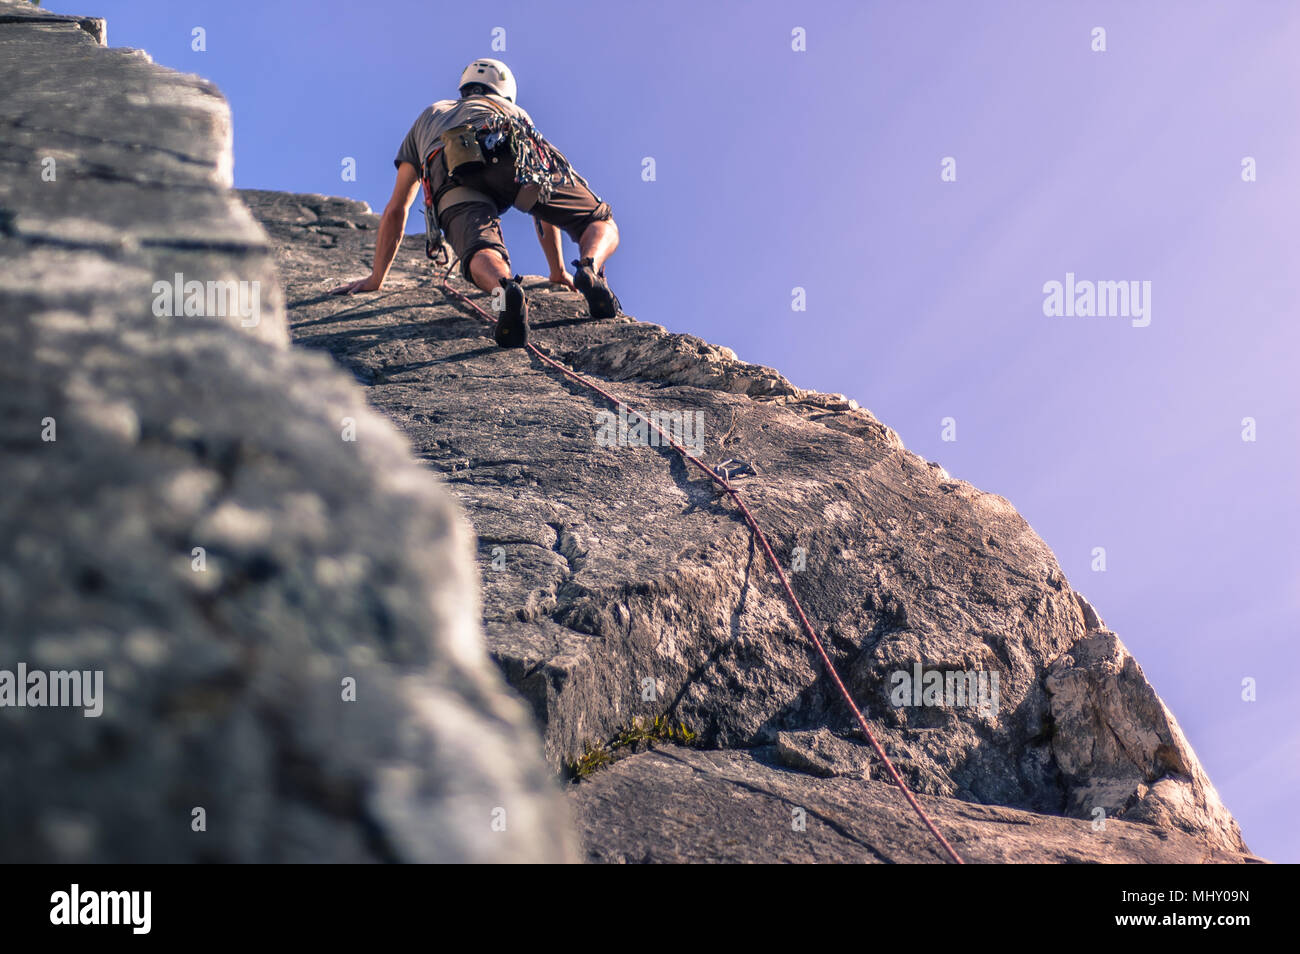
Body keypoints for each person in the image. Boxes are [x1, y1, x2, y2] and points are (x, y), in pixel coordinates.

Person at [330, 58, 620, 348]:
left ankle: (505, 289)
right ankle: (590, 267)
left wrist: (376, 278)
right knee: (598, 220)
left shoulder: (431, 114)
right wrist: (557, 269)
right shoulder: (513, 110)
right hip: (511, 150)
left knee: (480, 249)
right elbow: (540, 203)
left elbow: (397, 208)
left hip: (451, 166)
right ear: (505, 89)